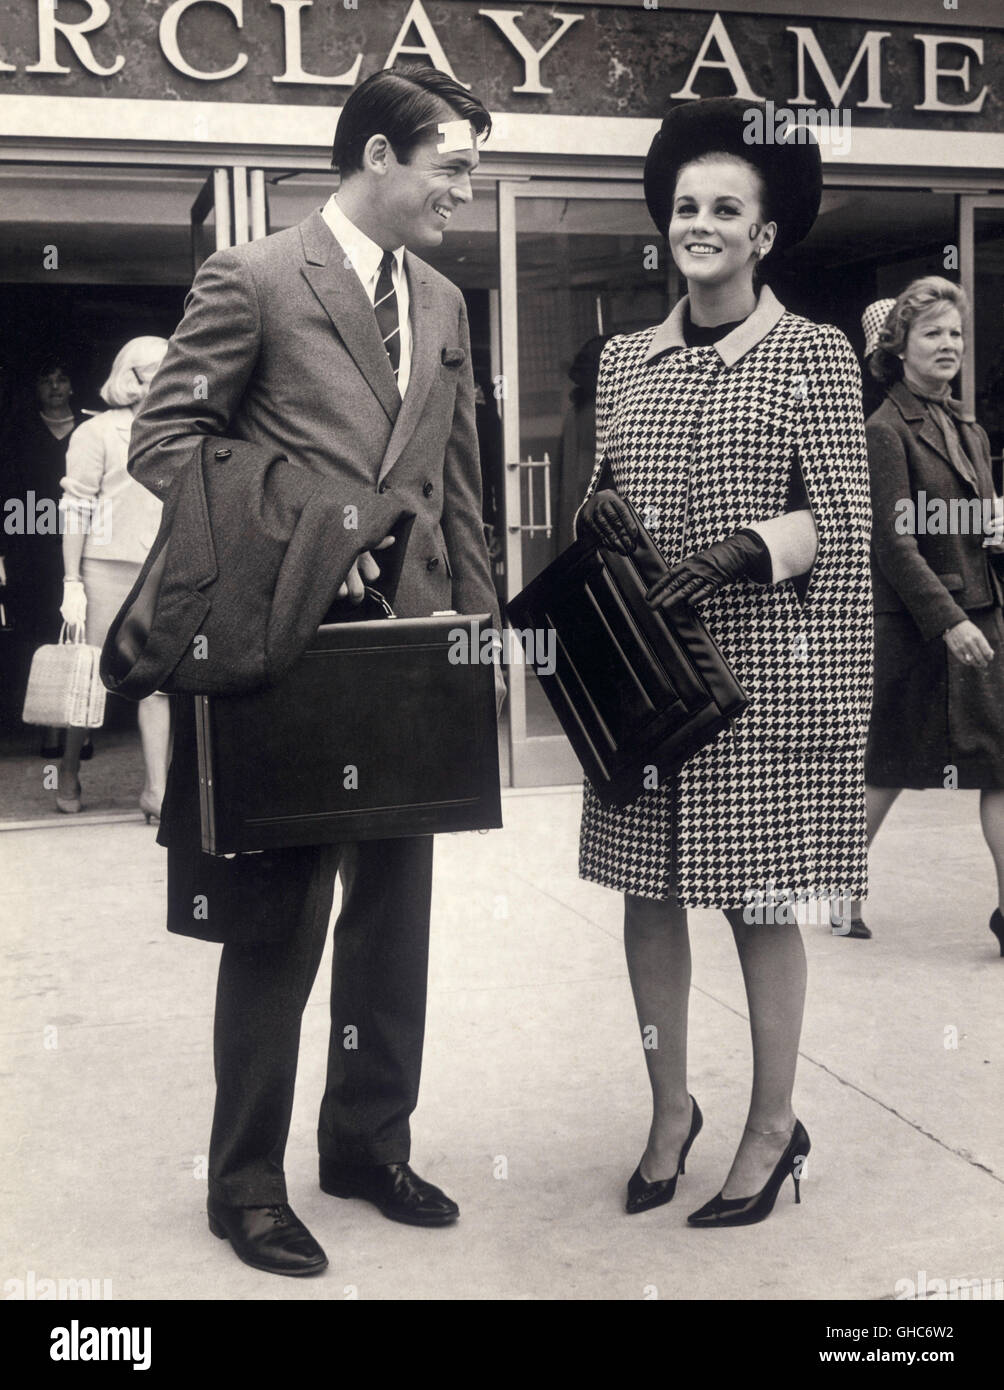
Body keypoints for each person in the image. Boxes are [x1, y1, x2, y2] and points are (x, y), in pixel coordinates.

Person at [128, 67, 502, 1277]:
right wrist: (312, 539)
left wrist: (480, 621)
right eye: (450, 161)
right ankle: (243, 1182)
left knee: (394, 927)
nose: (465, 183)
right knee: (277, 926)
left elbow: (455, 475)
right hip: (292, 656)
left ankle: (365, 1144)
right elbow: (167, 441)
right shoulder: (254, 276)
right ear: (379, 156)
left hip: (415, 656)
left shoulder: (444, 299)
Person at [576, 97, 872, 1227]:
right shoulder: (627, 362)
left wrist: (746, 547)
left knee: (760, 900)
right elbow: (606, 482)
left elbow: (838, 519)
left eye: (724, 208)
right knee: (645, 896)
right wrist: (600, 521)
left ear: (763, 236)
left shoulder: (812, 354)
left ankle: (769, 1123)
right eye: (684, 205)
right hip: (646, 674)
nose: (697, 221)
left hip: (758, 678)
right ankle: (668, 1112)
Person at [832, 279, 1004, 952]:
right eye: (932, 332)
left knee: (999, 762)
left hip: (984, 615)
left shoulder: (970, 428)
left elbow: (972, 520)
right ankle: (841, 889)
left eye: (956, 333)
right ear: (898, 347)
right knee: (892, 764)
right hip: (916, 627)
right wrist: (948, 620)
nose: (949, 345)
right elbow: (892, 543)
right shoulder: (882, 430)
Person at [55, 337, 170, 818]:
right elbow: (76, 508)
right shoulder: (96, 433)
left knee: (160, 683)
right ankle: (67, 770)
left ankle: (156, 793)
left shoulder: (178, 431)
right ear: (133, 377)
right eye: (161, 369)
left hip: (162, 570)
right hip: (105, 570)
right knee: (90, 681)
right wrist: (71, 582)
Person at [0, 359, 85, 744]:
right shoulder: (17, 432)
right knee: (37, 630)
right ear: (35, 388)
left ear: (72, 386)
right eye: (46, 379)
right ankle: (44, 724)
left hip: (81, 541)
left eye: (61, 378)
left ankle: (76, 725)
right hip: (31, 545)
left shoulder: (89, 429)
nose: (54, 386)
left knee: (78, 629)